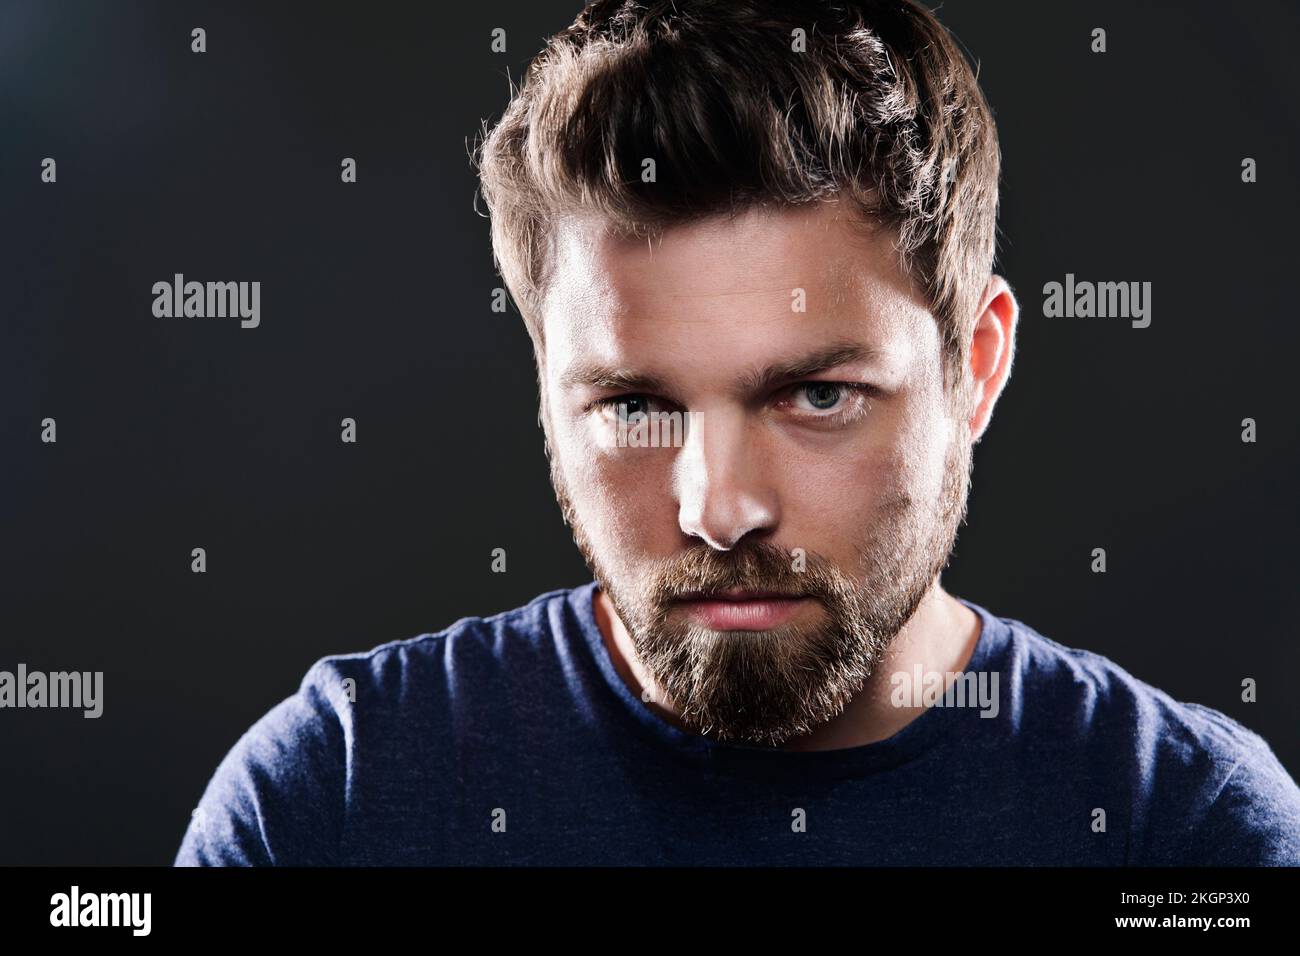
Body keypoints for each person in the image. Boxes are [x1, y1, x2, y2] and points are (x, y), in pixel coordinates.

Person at [175, 0, 1300, 866]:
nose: (718, 507)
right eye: (634, 406)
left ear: (977, 368)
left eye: (816, 396)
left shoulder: (1184, 831)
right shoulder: (333, 797)